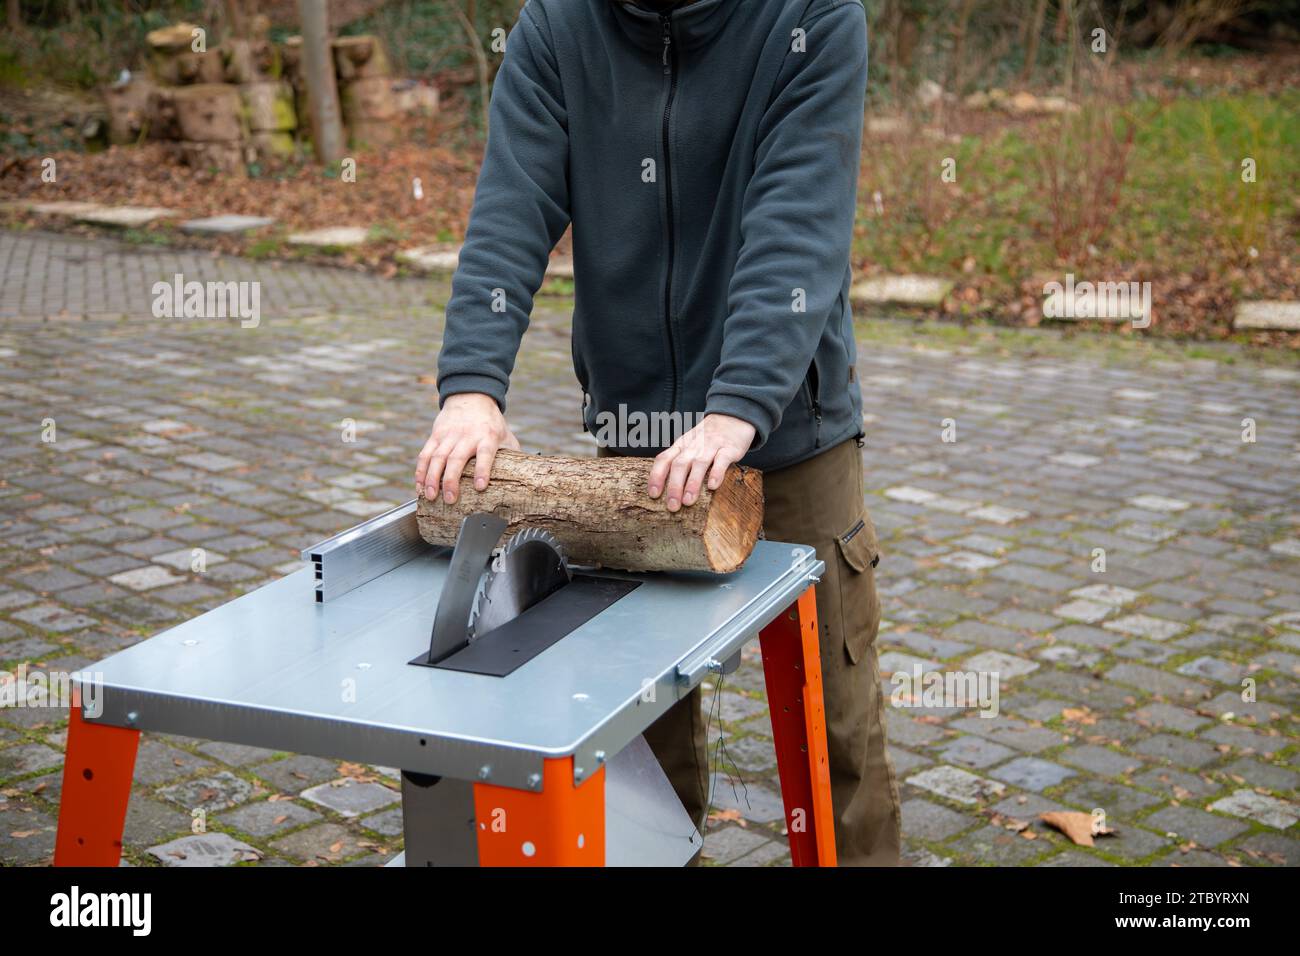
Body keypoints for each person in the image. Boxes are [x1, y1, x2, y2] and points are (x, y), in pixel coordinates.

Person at [415, 0, 900, 866]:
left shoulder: (814, 17)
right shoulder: (557, 27)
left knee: (837, 737)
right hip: (636, 446)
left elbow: (797, 221)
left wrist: (739, 404)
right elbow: (511, 203)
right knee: (637, 734)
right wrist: (472, 387)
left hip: (793, 436)